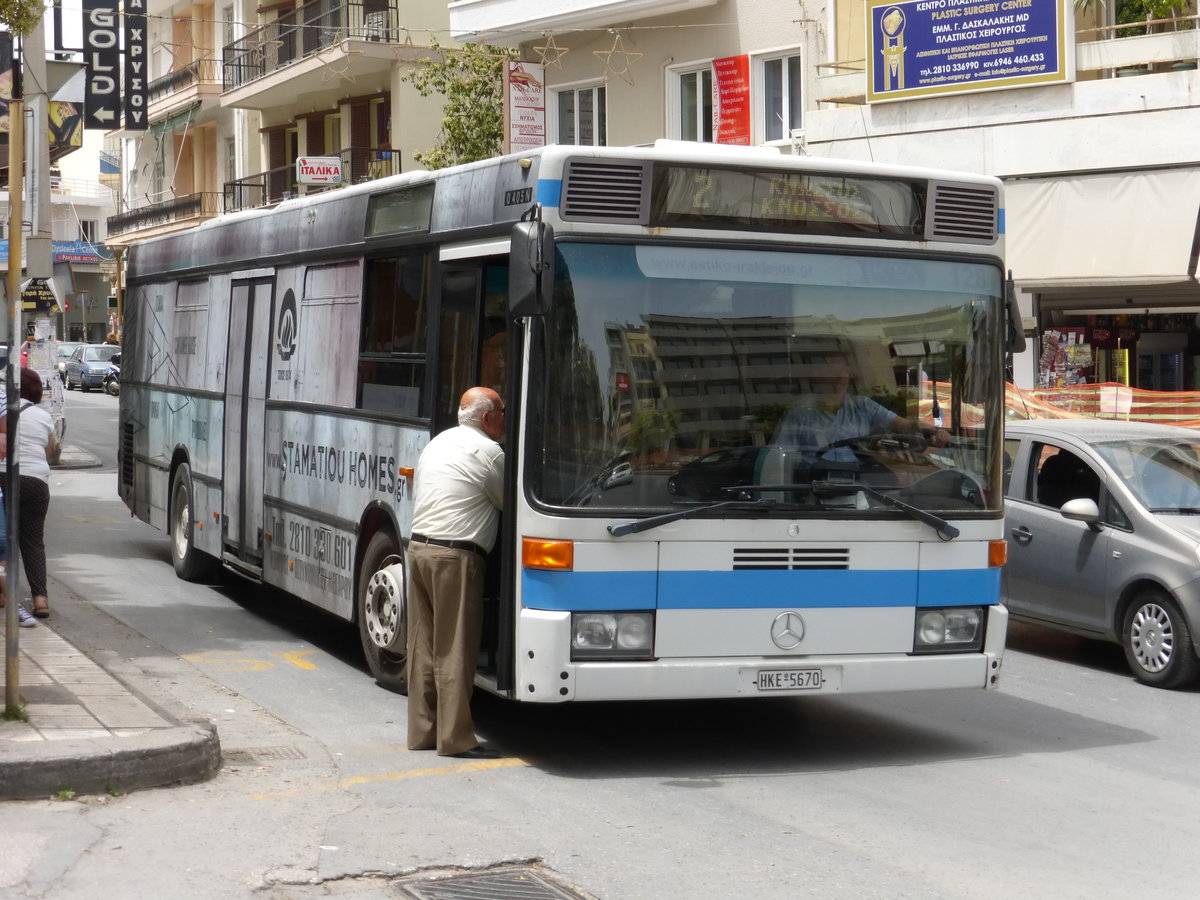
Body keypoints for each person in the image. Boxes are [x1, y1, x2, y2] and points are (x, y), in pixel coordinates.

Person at [406, 387, 505, 758]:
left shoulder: (439, 442)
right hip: (455, 557)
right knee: (454, 649)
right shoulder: (490, 453)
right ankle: (455, 738)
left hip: (418, 549)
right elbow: (507, 501)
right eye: (502, 411)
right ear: (487, 419)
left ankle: (422, 732)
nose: (505, 419)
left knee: (423, 646)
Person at [773, 365, 950, 464]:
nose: (839, 377)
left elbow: (903, 425)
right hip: (814, 483)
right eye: (832, 371)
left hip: (859, 480)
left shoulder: (862, 405)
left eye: (843, 371)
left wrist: (934, 431)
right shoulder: (801, 410)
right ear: (819, 376)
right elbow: (781, 454)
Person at [1, 369, 57, 619]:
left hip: (4, 478)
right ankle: (40, 599)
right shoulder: (44, 416)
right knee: (33, 541)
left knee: (4, 540)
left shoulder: (4, 412)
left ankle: (4, 594)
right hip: (36, 481)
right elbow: (49, 452)